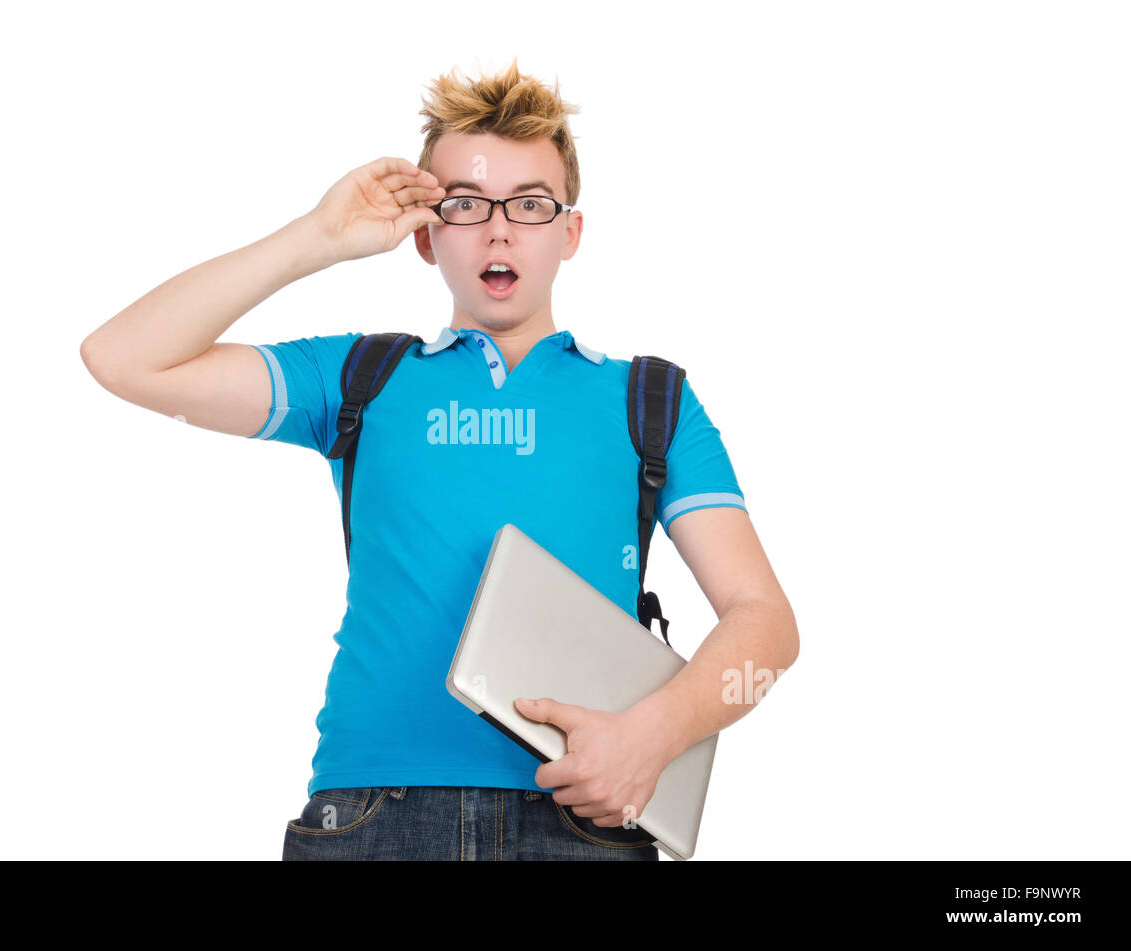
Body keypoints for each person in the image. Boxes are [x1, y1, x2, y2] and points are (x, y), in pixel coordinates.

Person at [80, 59, 799, 861]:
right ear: (426, 233)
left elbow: (766, 625)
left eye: (530, 205)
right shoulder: (360, 378)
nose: (499, 230)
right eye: (467, 204)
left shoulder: (652, 401)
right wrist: (315, 239)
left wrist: (651, 736)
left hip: (581, 820)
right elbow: (124, 358)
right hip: (370, 821)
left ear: (571, 231)